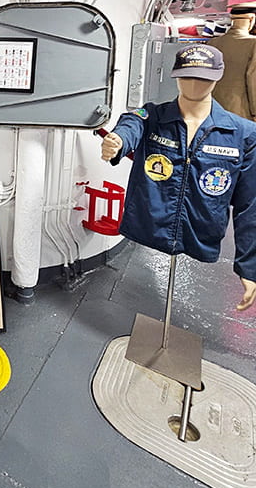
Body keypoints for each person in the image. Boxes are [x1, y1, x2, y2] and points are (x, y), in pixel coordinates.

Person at [101, 43, 256, 312]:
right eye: (187, 76)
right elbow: (131, 123)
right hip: (150, 225)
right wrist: (119, 141)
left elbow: (250, 205)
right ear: (176, 76)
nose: (194, 84)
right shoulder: (152, 117)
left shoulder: (244, 134)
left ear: (217, 77)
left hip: (202, 232)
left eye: (203, 78)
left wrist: (249, 267)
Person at [210, 3, 256, 120]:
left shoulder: (213, 43)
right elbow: (253, 80)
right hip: (241, 113)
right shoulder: (253, 44)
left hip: (213, 110)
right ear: (252, 19)